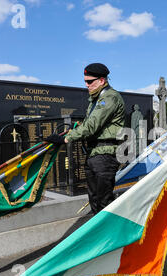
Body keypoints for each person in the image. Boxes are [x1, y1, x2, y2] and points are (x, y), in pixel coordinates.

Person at [45, 63, 125, 215]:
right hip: (94, 153)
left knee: (104, 203)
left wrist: (66, 139)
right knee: (95, 201)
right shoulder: (95, 99)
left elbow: (92, 126)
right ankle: (100, 236)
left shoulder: (110, 97)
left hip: (105, 155)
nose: (87, 85)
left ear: (102, 80)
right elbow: (88, 124)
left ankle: (112, 237)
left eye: (90, 81)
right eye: (85, 82)